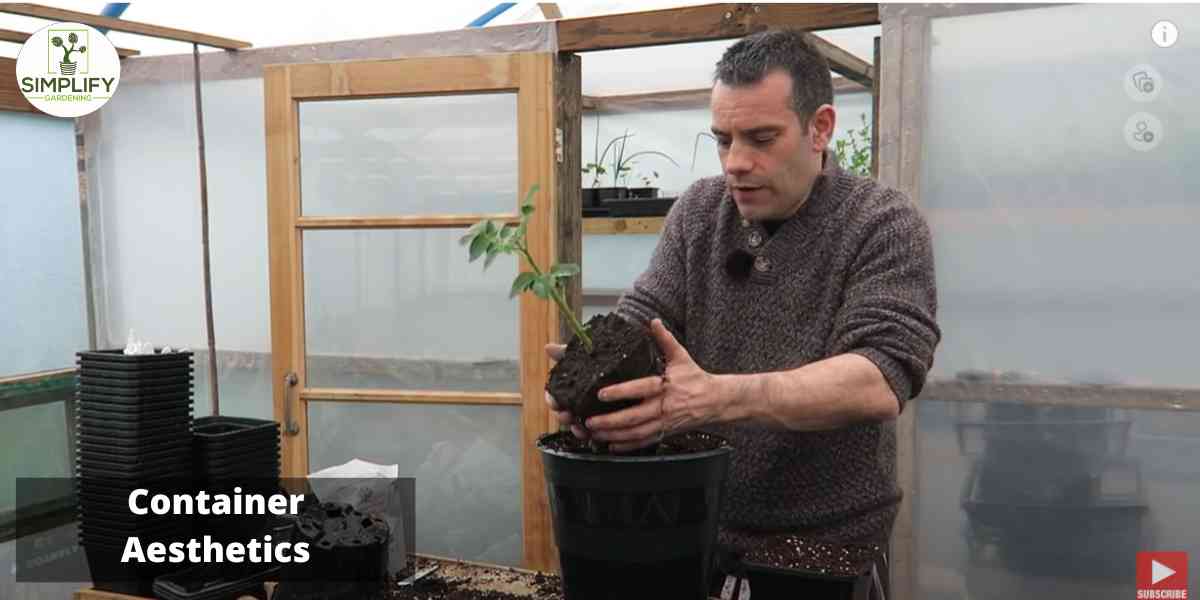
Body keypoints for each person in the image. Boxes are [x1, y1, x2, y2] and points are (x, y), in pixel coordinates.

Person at [545, 29, 940, 592]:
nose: (736, 162)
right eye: (723, 140)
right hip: (694, 526)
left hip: (822, 548)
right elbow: (644, 315)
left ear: (820, 128)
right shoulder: (701, 212)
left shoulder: (880, 224)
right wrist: (586, 381)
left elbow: (876, 380)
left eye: (761, 138)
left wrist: (714, 398)